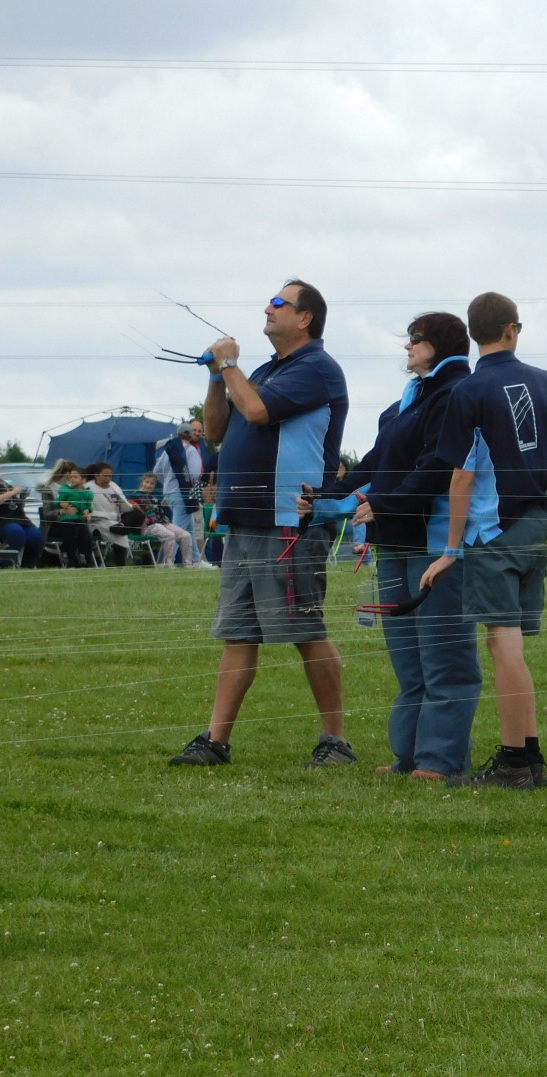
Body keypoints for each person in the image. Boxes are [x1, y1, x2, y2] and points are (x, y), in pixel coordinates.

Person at [170, 279, 354, 768]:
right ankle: (215, 741)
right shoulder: (271, 369)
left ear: (305, 317)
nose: (267, 310)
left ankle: (335, 740)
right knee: (239, 633)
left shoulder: (317, 368)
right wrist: (215, 376)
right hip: (246, 519)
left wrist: (230, 365)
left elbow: (255, 412)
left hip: (289, 520)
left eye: (278, 303)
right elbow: (215, 430)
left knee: (305, 629)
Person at [421, 292, 547, 789]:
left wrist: (451, 549)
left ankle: (516, 760)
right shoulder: (545, 382)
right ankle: (530, 756)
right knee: (513, 645)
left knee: (502, 645)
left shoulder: (467, 393)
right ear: (514, 329)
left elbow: (463, 478)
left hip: (491, 533)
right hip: (534, 526)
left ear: (475, 334)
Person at [305, 311, 482, 782]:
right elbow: (374, 464)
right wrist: (325, 498)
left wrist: (382, 501)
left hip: (437, 541)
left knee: (446, 657)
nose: (407, 348)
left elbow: (438, 466)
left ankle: (442, 762)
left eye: (415, 340)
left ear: (439, 346)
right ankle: (410, 756)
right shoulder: (407, 401)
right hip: (395, 541)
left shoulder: (453, 396)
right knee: (409, 658)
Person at [155, 420, 210, 566]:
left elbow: (157, 471)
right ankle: (167, 561)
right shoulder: (191, 450)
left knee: (189, 528)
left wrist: (167, 484)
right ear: (190, 434)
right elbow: (194, 475)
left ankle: (197, 560)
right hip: (184, 494)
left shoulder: (169, 450)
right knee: (177, 530)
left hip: (169, 493)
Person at [0, 454, 44, 567]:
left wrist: (22, 498)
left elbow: (15, 504)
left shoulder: (3, 482)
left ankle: (27, 567)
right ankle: (3, 565)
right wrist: (12, 492)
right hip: (0, 520)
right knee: (16, 533)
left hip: (19, 518)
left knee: (36, 536)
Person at [41, 461, 97, 567]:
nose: (72, 479)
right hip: (56, 524)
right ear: (67, 474)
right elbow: (46, 514)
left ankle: (84, 558)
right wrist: (62, 511)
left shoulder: (83, 491)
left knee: (81, 527)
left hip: (76, 522)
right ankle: (71, 558)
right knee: (74, 527)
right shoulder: (49, 489)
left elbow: (87, 506)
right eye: (72, 476)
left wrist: (88, 513)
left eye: (76, 476)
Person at [132, 473, 194, 566]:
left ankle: (188, 564)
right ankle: (168, 563)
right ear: (142, 482)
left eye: (152, 483)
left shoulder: (154, 498)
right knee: (170, 536)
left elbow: (160, 514)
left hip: (162, 524)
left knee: (186, 535)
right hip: (147, 527)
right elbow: (132, 510)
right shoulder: (135, 496)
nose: (148, 485)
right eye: (147, 482)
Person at [83, 461, 137, 566]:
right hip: (98, 522)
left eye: (110, 476)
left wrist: (132, 507)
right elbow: (88, 512)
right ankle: (120, 564)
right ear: (96, 475)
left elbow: (123, 504)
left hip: (117, 519)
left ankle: (122, 526)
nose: (108, 478)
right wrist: (110, 516)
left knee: (138, 514)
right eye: (105, 476)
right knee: (119, 534)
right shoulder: (87, 488)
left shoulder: (114, 486)